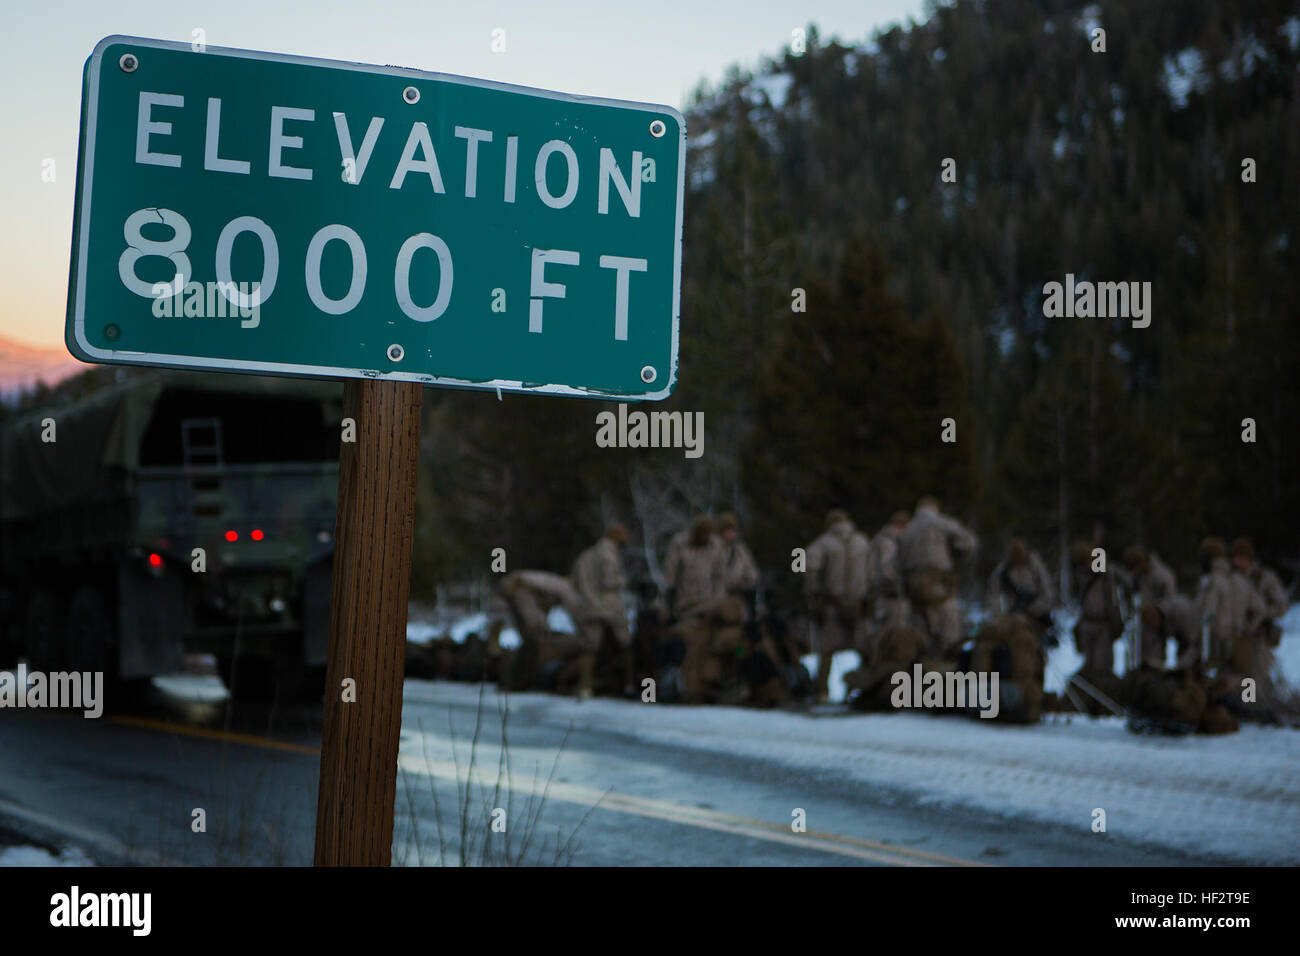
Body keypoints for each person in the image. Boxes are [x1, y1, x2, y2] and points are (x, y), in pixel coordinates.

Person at [804, 509, 872, 703]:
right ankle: (867, 687)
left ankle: (822, 692)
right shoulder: (863, 541)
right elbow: (872, 572)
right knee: (863, 649)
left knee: (826, 650)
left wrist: (813, 593)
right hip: (857, 604)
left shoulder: (823, 543)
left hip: (832, 604)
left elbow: (806, 565)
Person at [898, 496, 977, 655]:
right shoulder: (942, 523)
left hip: (914, 589)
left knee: (921, 637)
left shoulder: (907, 530)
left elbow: (899, 561)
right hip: (940, 586)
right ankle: (948, 672)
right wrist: (956, 554)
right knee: (948, 636)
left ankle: (921, 673)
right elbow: (969, 543)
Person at [570, 524, 634, 700]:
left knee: (589, 647)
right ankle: (630, 684)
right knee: (625, 643)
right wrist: (624, 581)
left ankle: (585, 686)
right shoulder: (609, 553)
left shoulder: (586, 555)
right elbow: (609, 581)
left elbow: (574, 580)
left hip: (589, 606)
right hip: (610, 605)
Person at [1070, 540, 1124, 675]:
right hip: (1087, 621)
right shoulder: (1078, 574)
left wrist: (1115, 622)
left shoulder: (1103, 574)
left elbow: (1112, 600)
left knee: (1102, 666)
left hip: (1103, 623)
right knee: (1088, 664)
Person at [987, 537, 1055, 635]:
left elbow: (1047, 593)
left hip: (1035, 614)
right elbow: (994, 594)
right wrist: (1001, 614)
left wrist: (1034, 609)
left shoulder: (1035, 567)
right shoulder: (1003, 571)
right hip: (1013, 615)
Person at [871, 511, 911, 632]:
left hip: (883, 593)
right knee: (892, 631)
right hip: (890, 594)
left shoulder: (882, 539)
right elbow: (886, 567)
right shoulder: (889, 541)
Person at [716, 512, 760, 619]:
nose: (731, 533)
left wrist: (746, 579)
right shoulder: (714, 549)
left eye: (733, 530)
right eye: (728, 530)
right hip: (719, 597)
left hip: (739, 596)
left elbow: (753, 571)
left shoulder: (740, 550)